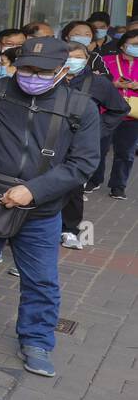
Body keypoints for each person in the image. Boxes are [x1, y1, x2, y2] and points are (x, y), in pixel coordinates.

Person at [0, 37, 101, 378]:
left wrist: (34, 190)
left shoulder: (81, 108)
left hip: (40, 209)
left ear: (62, 71)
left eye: (43, 72)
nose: (33, 76)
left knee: (41, 279)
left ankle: (37, 340)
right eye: (26, 68)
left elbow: (83, 163)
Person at [61, 41, 128, 246]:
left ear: (87, 59)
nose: (73, 61)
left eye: (78, 57)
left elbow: (119, 109)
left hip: (78, 143)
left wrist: (97, 130)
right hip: (47, 139)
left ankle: (69, 229)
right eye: (68, 57)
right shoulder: (49, 78)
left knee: (73, 185)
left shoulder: (98, 83)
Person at [96, 29, 138, 200]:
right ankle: (94, 180)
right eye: (134, 44)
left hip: (132, 115)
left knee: (126, 152)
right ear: (123, 45)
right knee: (99, 148)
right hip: (107, 111)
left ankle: (118, 186)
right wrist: (113, 84)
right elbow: (96, 82)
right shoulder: (106, 60)